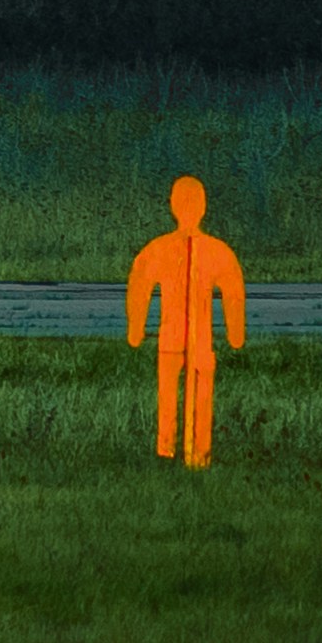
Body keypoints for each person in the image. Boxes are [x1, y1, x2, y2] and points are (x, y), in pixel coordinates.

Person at [125, 173, 246, 464]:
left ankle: (169, 453)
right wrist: (235, 334)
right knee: (198, 398)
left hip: (172, 339)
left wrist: (136, 330)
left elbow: (139, 287)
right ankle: (197, 455)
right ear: (203, 207)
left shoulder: (159, 249)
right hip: (195, 341)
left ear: (172, 206)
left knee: (170, 398)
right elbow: (234, 292)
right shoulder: (217, 251)